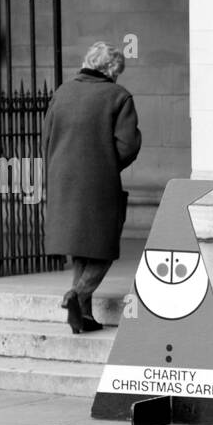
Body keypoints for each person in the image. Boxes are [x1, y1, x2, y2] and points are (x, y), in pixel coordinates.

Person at [42, 41, 142, 334]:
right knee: (104, 246)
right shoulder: (117, 96)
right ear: (110, 68)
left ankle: (82, 317)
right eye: (118, 70)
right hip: (99, 181)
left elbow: (46, 138)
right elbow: (127, 145)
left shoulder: (62, 92)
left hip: (62, 179)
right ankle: (78, 294)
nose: (118, 76)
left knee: (81, 248)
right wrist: (106, 164)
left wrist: (57, 169)